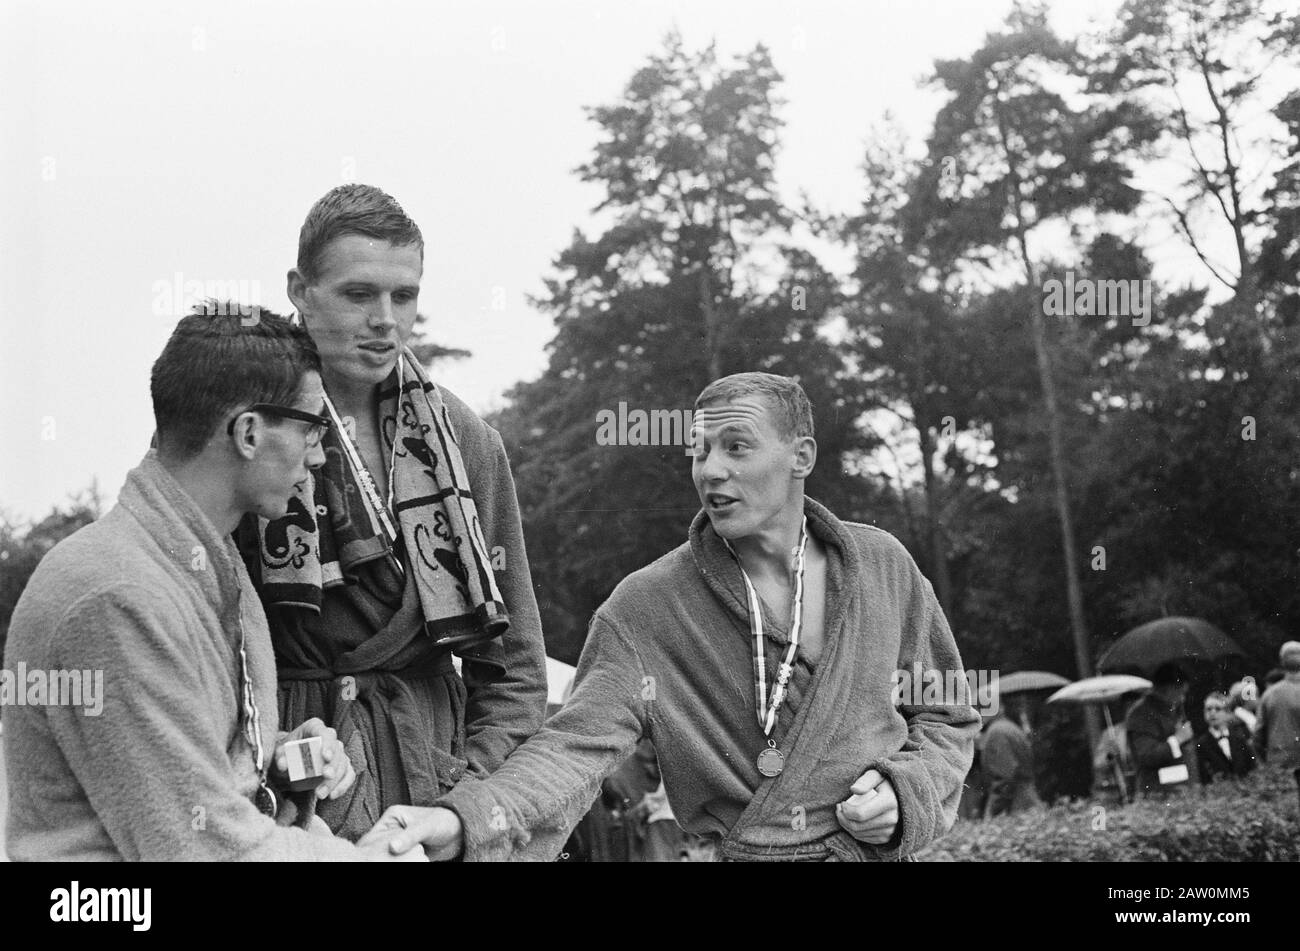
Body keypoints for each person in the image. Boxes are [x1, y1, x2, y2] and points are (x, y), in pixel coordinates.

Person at [360, 372, 981, 861]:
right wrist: (464, 817)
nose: (711, 470)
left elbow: (947, 712)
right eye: (700, 450)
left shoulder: (881, 566)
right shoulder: (647, 608)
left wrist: (907, 793)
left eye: (736, 447)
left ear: (801, 456)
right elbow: (571, 748)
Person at [3, 307, 419, 860]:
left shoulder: (208, 561)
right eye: (312, 428)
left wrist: (280, 758)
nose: (319, 456)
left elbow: (199, 777)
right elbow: (202, 848)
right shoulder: (116, 596)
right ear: (248, 432)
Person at [235, 184, 548, 840]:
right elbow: (199, 644)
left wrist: (466, 797)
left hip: (433, 764)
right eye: (358, 294)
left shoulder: (463, 439)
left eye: (403, 295)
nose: (386, 319)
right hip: (291, 776)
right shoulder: (243, 427)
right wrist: (273, 749)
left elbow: (515, 668)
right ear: (300, 290)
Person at [1124, 663, 1194, 798]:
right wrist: (1178, 739)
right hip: (1157, 795)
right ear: (1168, 689)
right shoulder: (1140, 714)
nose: (1183, 699)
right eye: (1181, 693)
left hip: (1181, 791)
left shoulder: (1172, 709)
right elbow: (1147, 755)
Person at [978, 699, 1041, 816]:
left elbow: (1004, 778)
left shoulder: (996, 733)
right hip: (1027, 802)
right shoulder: (1010, 727)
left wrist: (995, 814)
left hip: (1016, 809)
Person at [1193, 691, 1256, 784]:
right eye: (1208, 709)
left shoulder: (1239, 738)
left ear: (1227, 713)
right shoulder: (1201, 744)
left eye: (1218, 709)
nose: (1212, 713)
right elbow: (1202, 777)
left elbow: (1252, 768)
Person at [1255, 641, 1300, 770]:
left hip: (1279, 766)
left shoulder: (1269, 695)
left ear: (1281, 662)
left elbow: (1258, 736)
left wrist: (1267, 761)